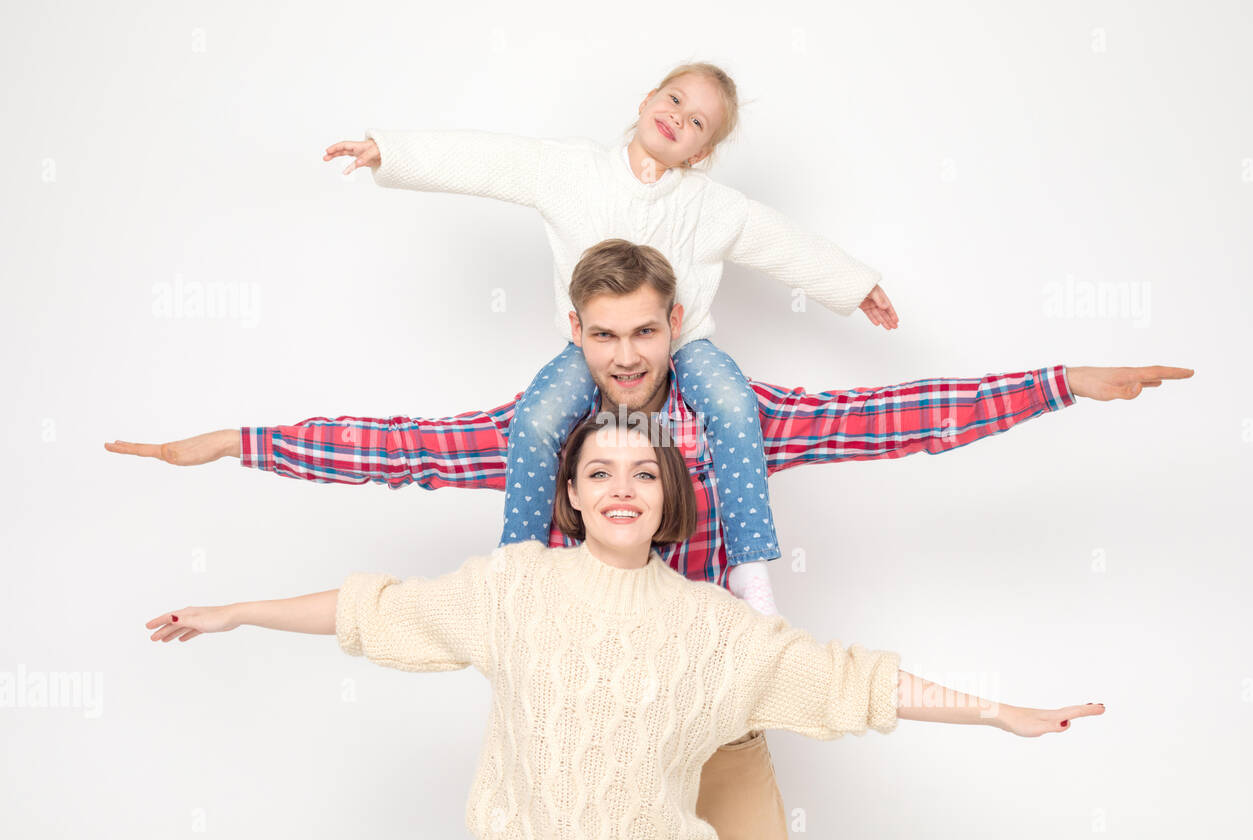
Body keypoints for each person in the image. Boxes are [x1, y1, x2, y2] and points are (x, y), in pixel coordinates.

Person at [106, 239, 1192, 840]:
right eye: (603, 333)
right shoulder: (544, 440)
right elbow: (392, 450)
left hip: (719, 700)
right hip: (582, 733)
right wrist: (240, 443)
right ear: (573, 331)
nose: (626, 355)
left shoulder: (739, 420)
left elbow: (896, 414)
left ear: (675, 321)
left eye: (644, 330)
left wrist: (1054, 385)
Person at [143, 412, 1105, 840]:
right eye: (599, 470)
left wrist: (999, 712)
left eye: (642, 473)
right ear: (568, 494)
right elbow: (370, 608)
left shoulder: (716, 630)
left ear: (666, 498)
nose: (620, 486)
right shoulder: (514, 586)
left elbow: (854, 684)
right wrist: (235, 611)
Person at [323, 60, 902, 619]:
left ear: (700, 153)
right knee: (536, 419)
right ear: (647, 101)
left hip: (687, 347)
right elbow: (489, 160)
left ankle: (749, 567)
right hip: (589, 351)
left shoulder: (714, 208)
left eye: (698, 122)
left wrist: (855, 285)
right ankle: (519, 564)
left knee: (733, 405)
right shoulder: (573, 171)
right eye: (674, 99)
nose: (679, 116)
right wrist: (393, 153)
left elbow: (786, 243)